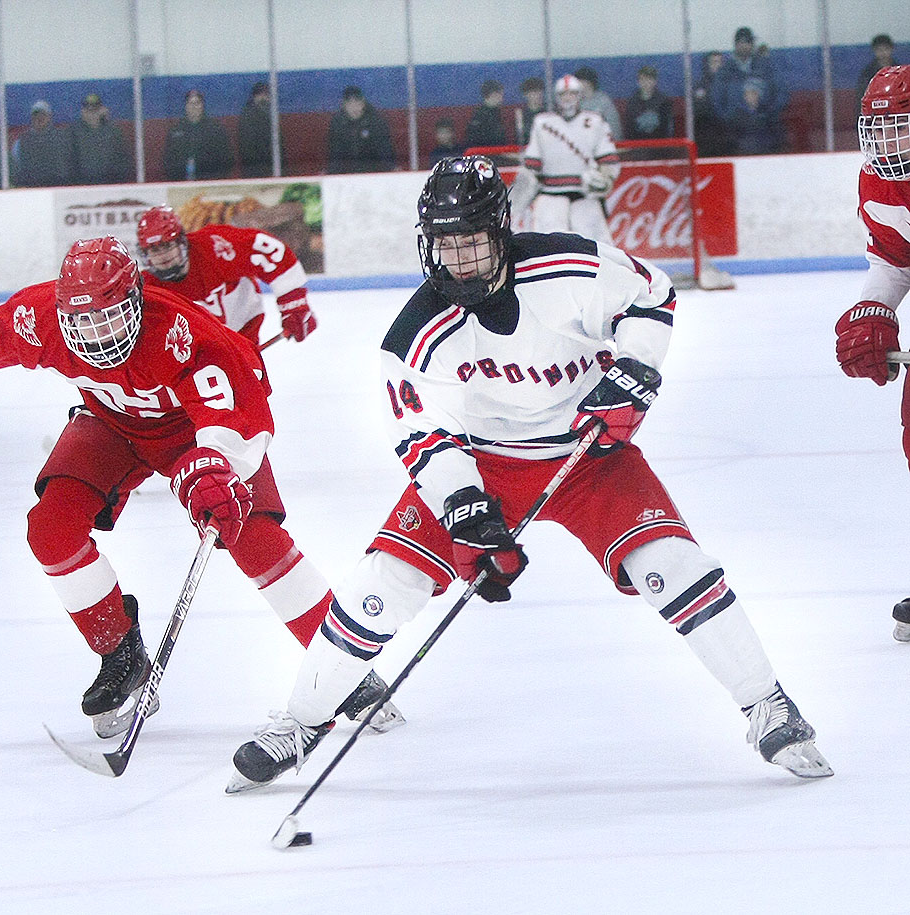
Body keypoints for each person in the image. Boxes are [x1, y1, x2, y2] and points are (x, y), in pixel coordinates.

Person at [226, 155, 833, 793]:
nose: (459, 261)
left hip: (589, 453)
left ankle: (768, 705)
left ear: (501, 232)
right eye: (445, 246)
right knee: (384, 583)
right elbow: (421, 435)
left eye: (473, 244)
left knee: (673, 566)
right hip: (482, 461)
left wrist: (632, 376)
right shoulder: (411, 336)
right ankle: (299, 723)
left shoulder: (569, 266)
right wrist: (466, 511)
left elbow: (651, 292)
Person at [0, 235, 399, 739]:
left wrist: (216, 464)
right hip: (110, 425)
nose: (95, 336)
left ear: (137, 300)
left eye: (109, 318)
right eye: (83, 322)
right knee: (50, 529)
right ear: (63, 312)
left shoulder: (188, 334)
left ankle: (344, 668)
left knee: (256, 542)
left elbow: (240, 412)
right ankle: (119, 650)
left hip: (194, 440)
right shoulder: (39, 318)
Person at [833, 66, 910, 641]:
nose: (885, 144)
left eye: (900, 128)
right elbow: (892, 261)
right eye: (877, 129)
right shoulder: (879, 183)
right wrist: (875, 308)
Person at [136, 205, 316, 348]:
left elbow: (270, 251)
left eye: (167, 246)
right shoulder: (146, 287)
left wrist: (295, 305)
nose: (162, 256)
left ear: (182, 242)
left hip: (244, 331)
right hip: (197, 351)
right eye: (153, 250)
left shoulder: (216, 247)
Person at [513, 74, 620, 244]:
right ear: (557, 97)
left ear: (579, 95)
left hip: (585, 195)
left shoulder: (595, 121)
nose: (568, 98)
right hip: (550, 195)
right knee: (547, 248)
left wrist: (605, 179)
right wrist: (520, 195)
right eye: (563, 94)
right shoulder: (543, 123)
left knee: (598, 249)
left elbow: (608, 160)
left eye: (572, 94)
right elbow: (532, 166)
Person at [710, 27, 786, 149]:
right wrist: (730, 117)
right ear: (735, 44)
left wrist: (767, 113)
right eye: (741, 42)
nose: (744, 45)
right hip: (735, 132)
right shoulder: (725, 71)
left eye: (747, 42)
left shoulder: (766, 66)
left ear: (752, 44)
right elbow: (717, 99)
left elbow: (781, 92)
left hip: (765, 129)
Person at [162, 89, 235, 182]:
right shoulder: (175, 131)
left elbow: (228, 158)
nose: (194, 107)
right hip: (182, 184)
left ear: (202, 105)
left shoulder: (216, 129)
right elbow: (167, 159)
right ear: (186, 106)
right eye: (190, 103)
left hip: (210, 183)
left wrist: (216, 178)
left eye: (197, 103)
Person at [326, 86, 396, 174]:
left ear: (363, 103)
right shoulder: (337, 124)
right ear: (344, 105)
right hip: (347, 174)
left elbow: (385, 151)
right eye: (350, 104)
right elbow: (335, 154)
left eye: (357, 103)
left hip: (374, 173)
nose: (354, 108)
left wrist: (391, 169)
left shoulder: (376, 121)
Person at [69, 93, 131, 186]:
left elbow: (123, 158)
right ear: (83, 111)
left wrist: (118, 179)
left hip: (110, 182)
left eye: (95, 109)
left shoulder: (113, 131)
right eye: (88, 109)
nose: (92, 113)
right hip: (83, 183)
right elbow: (70, 159)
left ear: (102, 110)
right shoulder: (74, 132)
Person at [13, 100, 72, 188]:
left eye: (43, 115)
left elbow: (68, 163)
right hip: (32, 187)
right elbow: (16, 166)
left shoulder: (62, 137)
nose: (39, 119)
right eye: (36, 115)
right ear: (32, 118)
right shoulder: (22, 141)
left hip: (58, 185)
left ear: (49, 117)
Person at [726, 77, 784, 155]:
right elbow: (733, 137)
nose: (749, 96)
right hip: (743, 153)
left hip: (765, 153)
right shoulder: (738, 114)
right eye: (747, 93)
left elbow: (776, 135)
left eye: (753, 93)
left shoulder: (768, 113)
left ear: (759, 94)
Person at [693, 52, 735, 157]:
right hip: (706, 138)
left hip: (726, 137)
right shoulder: (699, 87)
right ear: (707, 65)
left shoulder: (730, 85)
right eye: (714, 62)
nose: (718, 65)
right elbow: (698, 113)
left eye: (720, 62)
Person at [237, 81, 278, 178]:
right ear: (254, 97)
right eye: (260, 94)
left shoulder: (272, 116)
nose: (263, 98)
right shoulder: (247, 117)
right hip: (255, 172)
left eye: (266, 94)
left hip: (270, 170)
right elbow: (247, 148)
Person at [623, 65, 674, 141]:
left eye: (649, 79)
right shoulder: (632, 102)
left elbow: (668, 128)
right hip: (638, 146)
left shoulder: (663, 101)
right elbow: (629, 128)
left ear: (655, 81)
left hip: (660, 146)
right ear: (638, 82)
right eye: (643, 79)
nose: (646, 83)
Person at [573, 66, 623, 141]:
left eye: (580, 81)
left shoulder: (603, 101)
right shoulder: (574, 102)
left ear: (589, 83)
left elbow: (614, 126)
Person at [856, 35, 898, 115]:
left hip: (897, 112)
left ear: (892, 49)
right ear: (874, 51)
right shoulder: (867, 73)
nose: (883, 53)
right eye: (879, 50)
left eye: (886, 49)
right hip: (875, 113)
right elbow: (861, 97)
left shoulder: (900, 71)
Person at [464, 79, 508, 149]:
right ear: (494, 94)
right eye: (501, 94)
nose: (502, 98)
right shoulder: (480, 115)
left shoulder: (496, 111)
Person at [515, 76, 546, 146]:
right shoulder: (520, 114)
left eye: (540, 91)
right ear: (525, 95)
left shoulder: (549, 112)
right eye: (534, 92)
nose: (538, 95)